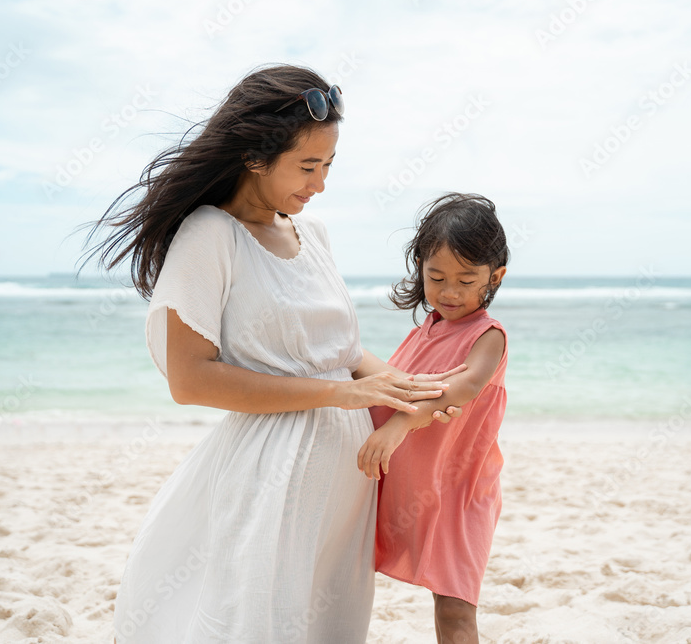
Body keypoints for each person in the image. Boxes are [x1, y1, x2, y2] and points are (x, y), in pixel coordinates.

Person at [78, 64, 464, 643]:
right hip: (269, 478)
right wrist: (342, 394)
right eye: (307, 167)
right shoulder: (210, 235)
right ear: (255, 158)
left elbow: (342, 352)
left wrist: (416, 390)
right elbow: (191, 381)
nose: (320, 184)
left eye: (328, 165)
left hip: (345, 487)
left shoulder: (314, 235)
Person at [357, 192, 509, 644]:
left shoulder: (488, 336)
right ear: (420, 267)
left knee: (455, 606)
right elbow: (397, 383)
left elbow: (463, 389)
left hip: (458, 491)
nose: (449, 292)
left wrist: (399, 424)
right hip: (412, 484)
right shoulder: (425, 329)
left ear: (494, 277)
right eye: (436, 277)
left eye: (466, 280)